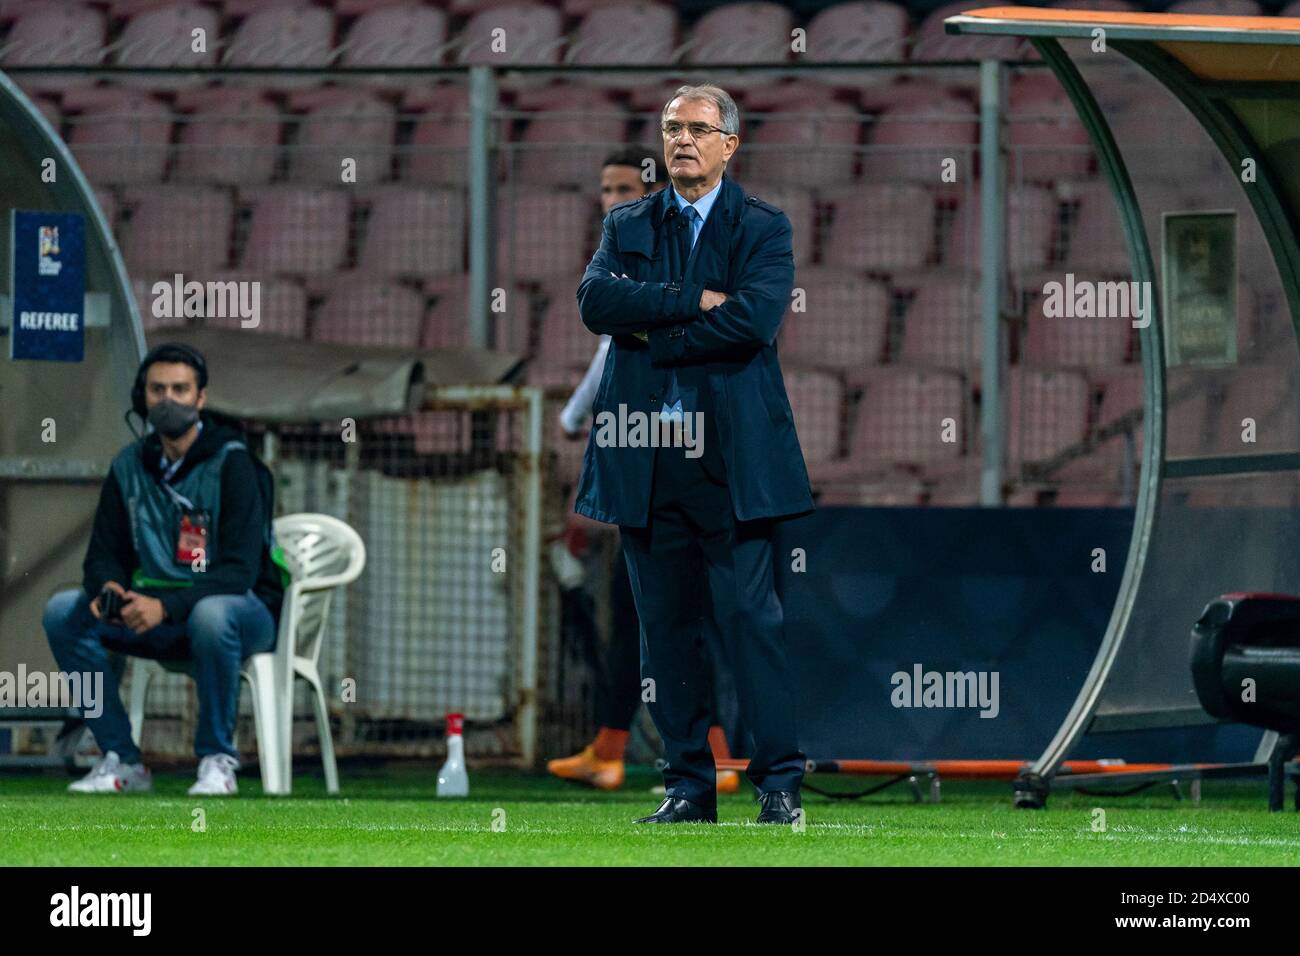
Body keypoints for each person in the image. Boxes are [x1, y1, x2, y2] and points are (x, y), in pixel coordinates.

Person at [574, 83, 814, 824]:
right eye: (672, 128)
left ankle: (778, 783)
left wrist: (654, 327)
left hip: (733, 460)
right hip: (644, 456)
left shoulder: (764, 228)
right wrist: (691, 299)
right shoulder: (625, 222)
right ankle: (689, 787)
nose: (681, 140)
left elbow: (752, 323)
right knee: (666, 633)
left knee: (751, 622)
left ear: (729, 144)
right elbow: (595, 305)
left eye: (698, 129)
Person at [548, 146, 741, 795]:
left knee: (671, 616)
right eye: (604, 187)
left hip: (680, 462)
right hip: (653, 461)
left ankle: (713, 758)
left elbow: (621, 349)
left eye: (624, 186)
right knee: (642, 616)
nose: (611, 198)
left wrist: (574, 420)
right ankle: (616, 748)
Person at [42, 343, 285, 796]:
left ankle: (217, 761)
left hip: (243, 615)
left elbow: (239, 572)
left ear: (201, 399)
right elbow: (101, 555)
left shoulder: (235, 464)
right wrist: (109, 589)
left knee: (212, 614)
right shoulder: (128, 465)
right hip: (156, 612)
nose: (168, 400)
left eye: (180, 389)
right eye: (158, 390)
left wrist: (166, 606)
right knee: (63, 611)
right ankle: (121, 758)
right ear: (142, 397)